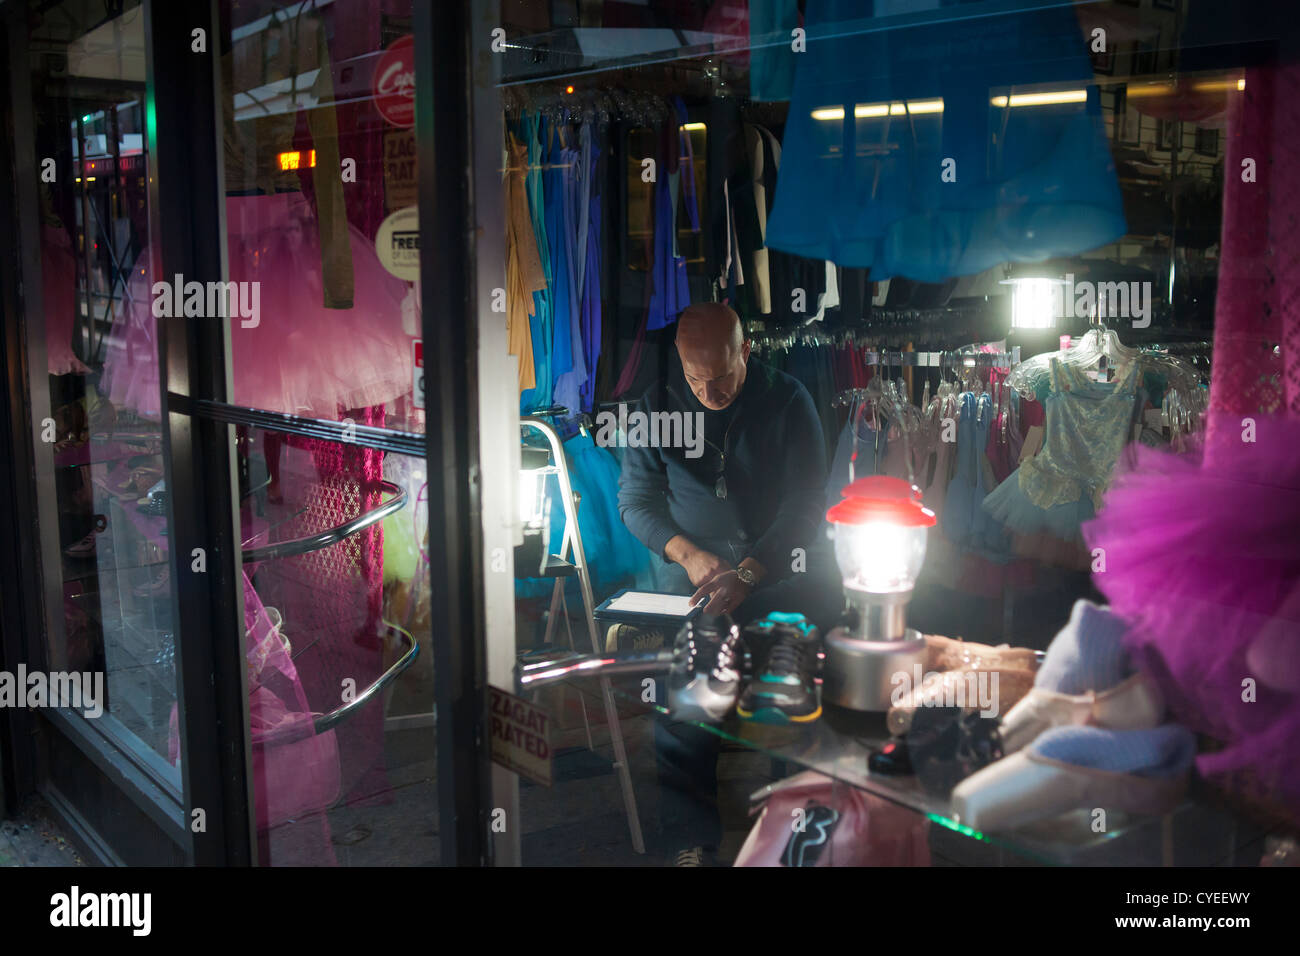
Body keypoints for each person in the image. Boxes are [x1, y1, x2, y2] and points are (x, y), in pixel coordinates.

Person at [618, 302, 841, 864]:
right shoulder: (654, 405)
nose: (707, 391)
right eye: (694, 378)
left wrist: (750, 572)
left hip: (783, 573)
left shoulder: (788, 398)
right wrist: (690, 556)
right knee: (688, 714)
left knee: (794, 708)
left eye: (719, 377)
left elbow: (805, 503)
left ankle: (801, 840)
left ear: (746, 351)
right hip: (698, 580)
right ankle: (690, 841)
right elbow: (636, 502)